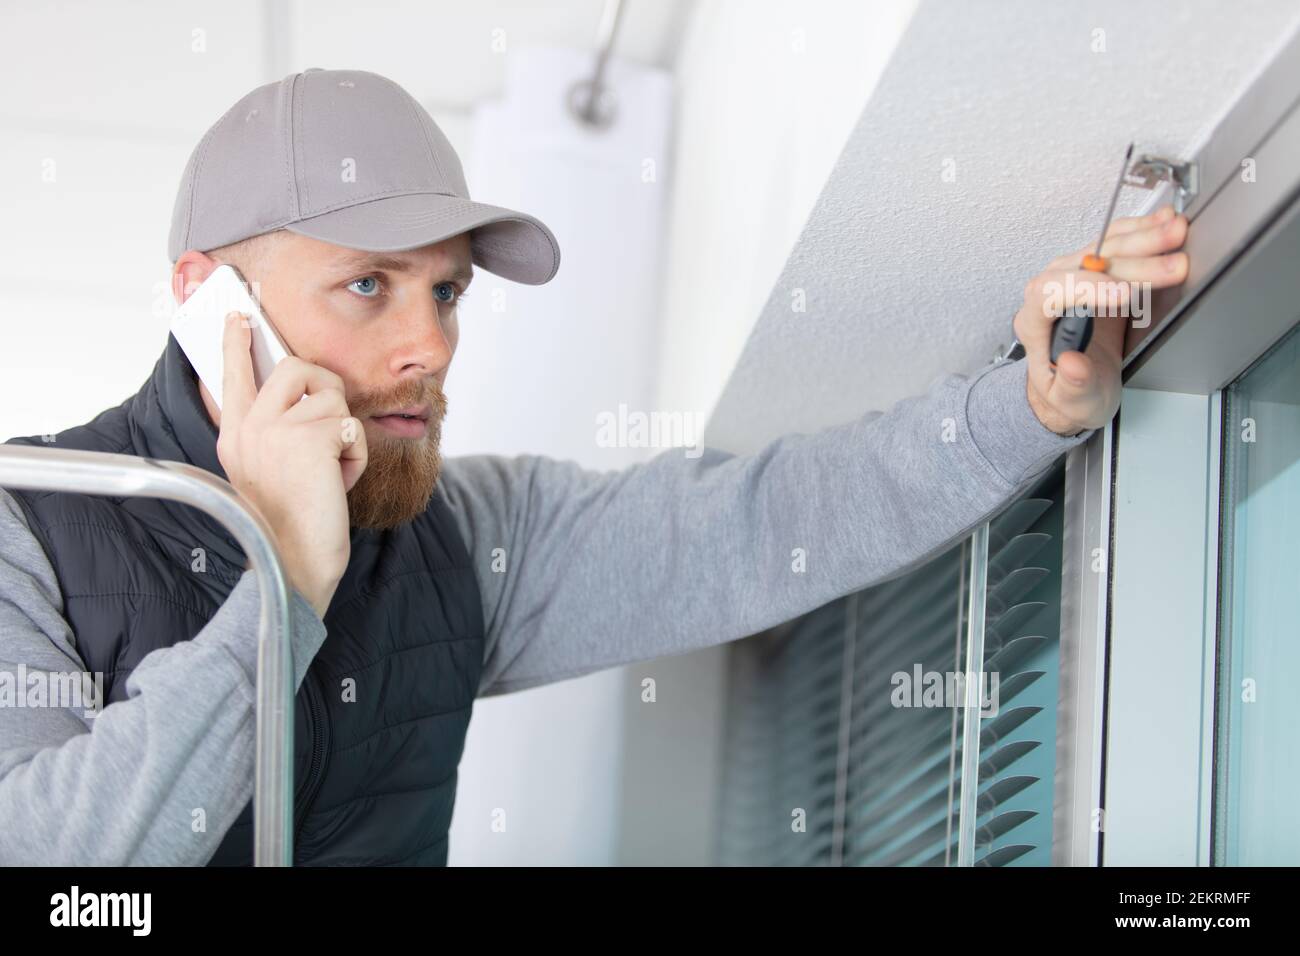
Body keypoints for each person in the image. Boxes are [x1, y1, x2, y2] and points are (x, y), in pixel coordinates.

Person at [0, 69, 1189, 865]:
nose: (430, 347)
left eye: (447, 291)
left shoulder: (464, 540)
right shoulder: (34, 522)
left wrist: (1030, 406)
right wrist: (283, 583)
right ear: (215, 307)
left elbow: (758, 523)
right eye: (368, 284)